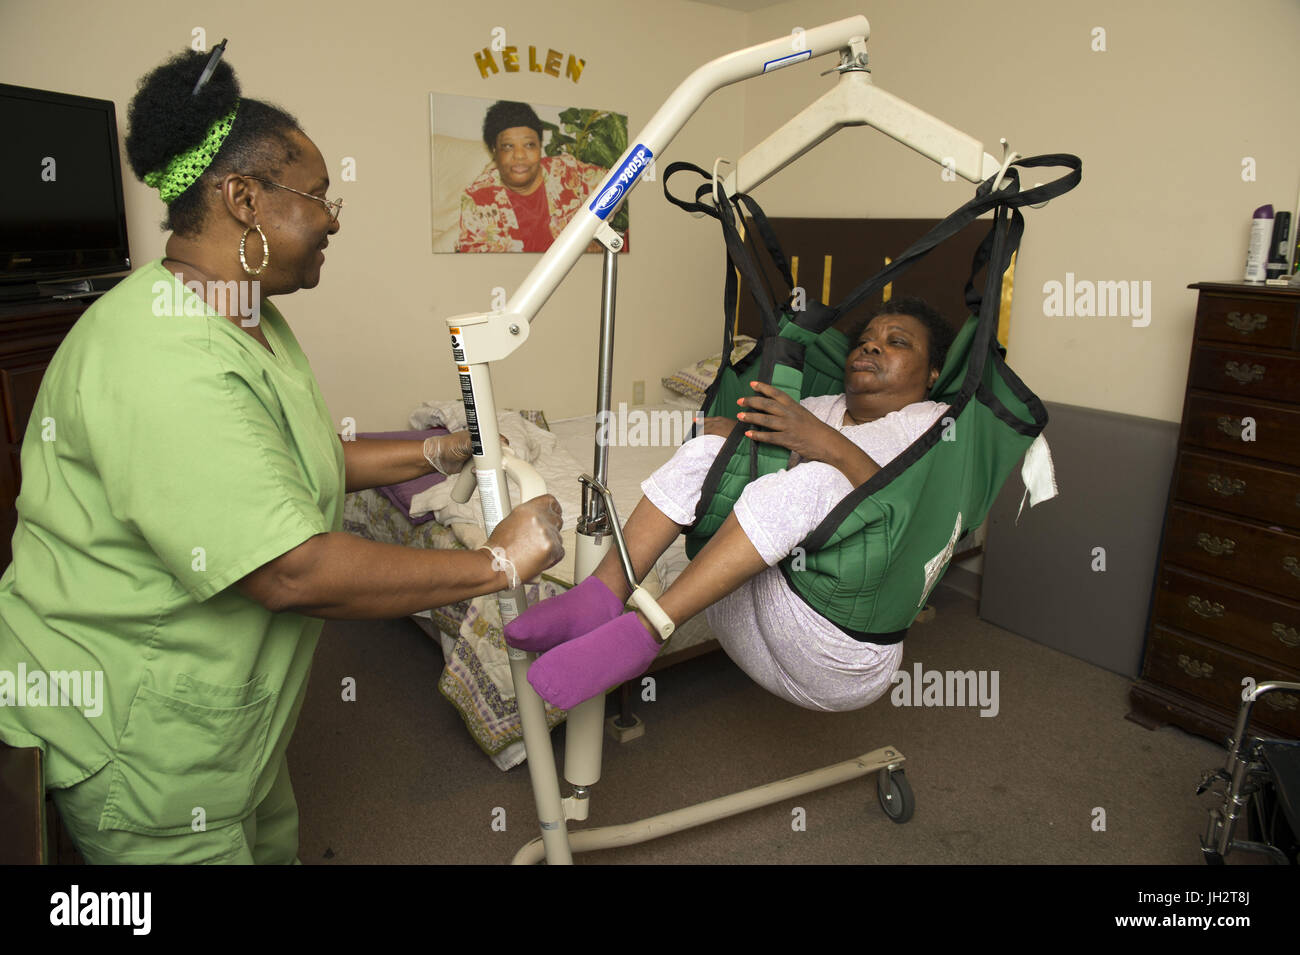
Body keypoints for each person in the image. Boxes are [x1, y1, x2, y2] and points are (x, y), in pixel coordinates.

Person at [0, 49, 564, 864]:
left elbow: (295, 458)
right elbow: (289, 568)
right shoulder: (159, 357)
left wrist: (435, 449)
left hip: (235, 728)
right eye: (318, 197)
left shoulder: (249, 316)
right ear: (243, 199)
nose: (334, 218)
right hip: (141, 740)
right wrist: (495, 563)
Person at [505, 297, 955, 713]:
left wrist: (820, 443)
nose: (871, 348)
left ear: (933, 371)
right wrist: (729, 435)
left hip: (838, 650)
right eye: (865, 341)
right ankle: (601, 594)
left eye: (895, 343)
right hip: (753, 616)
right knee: (712, 452)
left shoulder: (936, 424)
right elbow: (747, 458)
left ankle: (645, 631)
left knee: (817, 478)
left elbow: (909, 510)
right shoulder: (818, 406)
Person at [456, 100, 607, 253]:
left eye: (529, 145)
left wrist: (596, 238)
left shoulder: (567, 170)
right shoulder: (477, 198)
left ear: (539, 146)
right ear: (494, 150)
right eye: (508, 146)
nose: (520, 155)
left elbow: (618, 184)